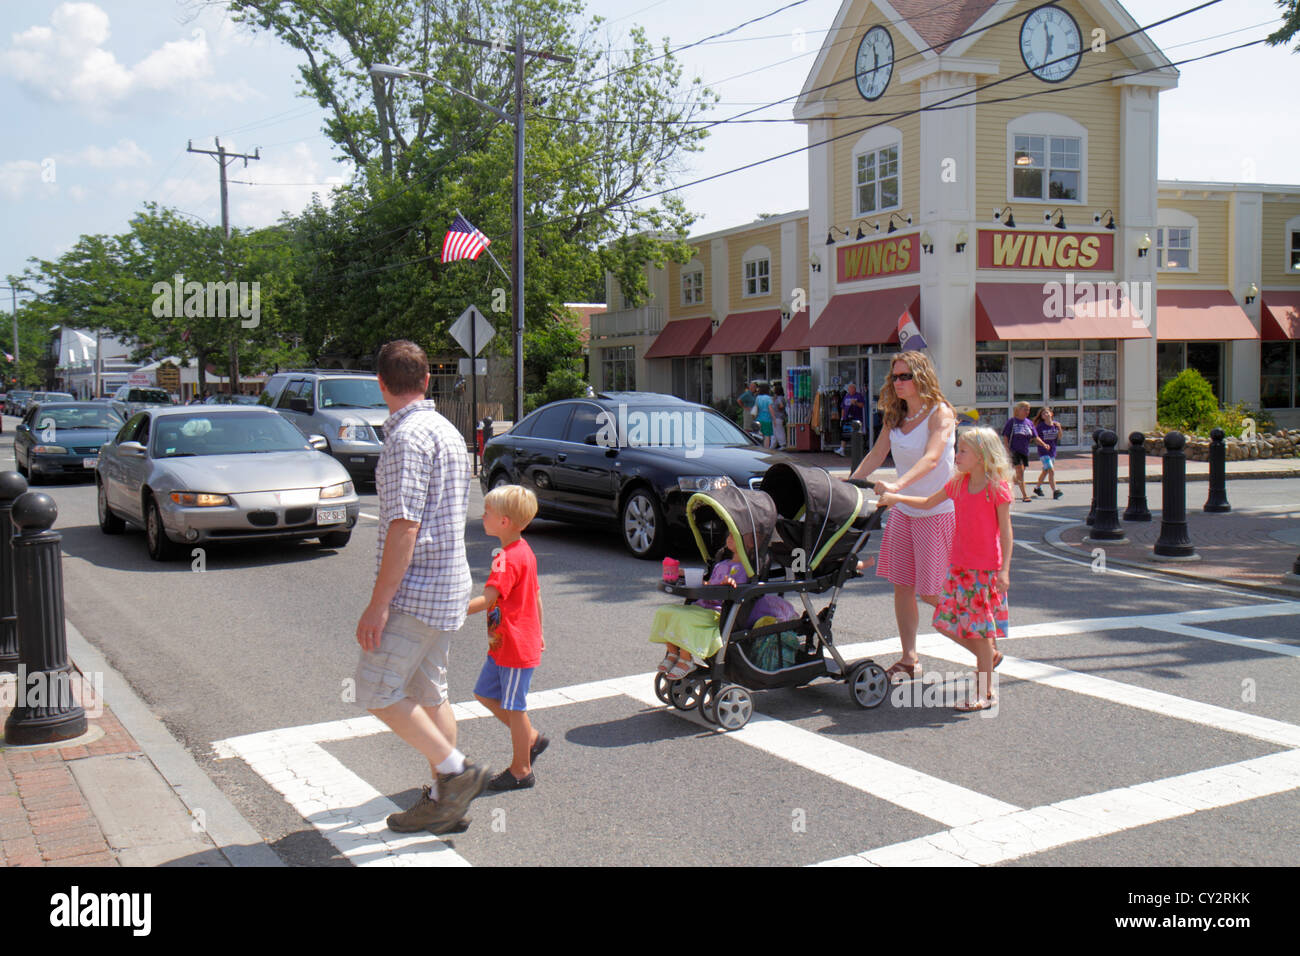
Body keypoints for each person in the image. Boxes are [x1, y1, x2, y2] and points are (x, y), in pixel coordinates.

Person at [355, 339, 490, 835]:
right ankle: (444, 803)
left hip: (417, 591)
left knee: (375, 690)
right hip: (450, 583)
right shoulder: (446, 430)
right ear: (427, 380)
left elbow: (404, 526)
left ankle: (456, 772)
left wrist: (377, 605)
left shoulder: (405, 439)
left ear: (382, 385)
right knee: (431, 695)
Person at [879, 427, 1013, 712]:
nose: (957, 456)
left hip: (985, 570)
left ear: (981, 456)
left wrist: (1004, 571)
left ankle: (985, 692)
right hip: (959, 568)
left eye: (963, 451)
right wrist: (897, 498)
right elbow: (928, 503)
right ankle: (986, 657)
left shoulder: (996, 488)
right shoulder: (958, 485)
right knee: (945, 622)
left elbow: (1006, 531)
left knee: (978, 630)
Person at [847, 351, 957, 682]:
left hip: (934, 510)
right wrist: (846, 485)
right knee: (903, 586)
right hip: (903, 510)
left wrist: (898, 484)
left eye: (905, 376)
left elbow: (933, 458)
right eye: (895, 377)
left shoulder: (941, 413)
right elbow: (878, 453)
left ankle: (980, 636)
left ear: (921, 377)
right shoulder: (896, 414)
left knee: (931, 591)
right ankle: (910, 658)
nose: (899, 383)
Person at [467, 484, 548, 791]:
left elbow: (489, 599)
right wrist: (540, 630)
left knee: (514, 707)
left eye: (487, 512)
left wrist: (453, 610)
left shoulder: (506, 559)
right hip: (504, 644)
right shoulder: (522, 550)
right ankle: (530, 739)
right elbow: (536, 595)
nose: (482, 515)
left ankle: (521, 769)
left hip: (514, 644)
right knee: (484, 694)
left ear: (504, 522)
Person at [650, 534, 748, 679]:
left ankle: (686, 659)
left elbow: (739, 588)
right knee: (664, 611)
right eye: (729, 535)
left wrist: (729, 583)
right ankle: (672, 652)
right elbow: (710, 584)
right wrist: (687, 576)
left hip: (718, 611)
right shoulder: (722, 564)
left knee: (684, 617)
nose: (729, 537)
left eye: (735, 536)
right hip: (702, 605)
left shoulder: (743, 569)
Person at [1002, 401, 1047, 502]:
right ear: (1018, 410)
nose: (1027, 411)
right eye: (1025, 409)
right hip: (1014, 450)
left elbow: (1035, 437)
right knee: (1020, 472)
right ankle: (1025, 495)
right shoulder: (1012, 421)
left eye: (1028, 409)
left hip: (1024, 451)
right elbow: (1005, 436)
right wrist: (1007, 449)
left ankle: (1004, 484)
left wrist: (1044, 444)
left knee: (1019, 474)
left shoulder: (1029, 422)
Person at [1032, 406, 1063, 499]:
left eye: (1047, 412)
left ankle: (1037, 488)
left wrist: (1060, 428)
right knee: (1051, 470)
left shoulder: (1055, 425)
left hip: (1052, 451)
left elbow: (1059, 437)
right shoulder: (1040, 426)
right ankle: (1055, 491)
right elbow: (1036, 439)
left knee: (1045, 471)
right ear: (1041, 417)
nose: (1045, 414)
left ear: (1051, 414)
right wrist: (1043, 444)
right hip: (1043, 452)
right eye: (1043, 414)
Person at [836, 382, 866, 456]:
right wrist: (842, 418)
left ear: (855, 389)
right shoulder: (846, 396)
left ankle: (857, 451)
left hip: (856, 419)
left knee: (856, 434)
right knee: (845, 433)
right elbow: (843, 407)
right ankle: (842, 449)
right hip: (847, 418)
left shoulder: (858, 396)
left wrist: (855, 403)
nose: (851, 390)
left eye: (852, 388)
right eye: (849, 389)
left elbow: (862, 405)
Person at [754, 382, 775, 448]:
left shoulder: (758, 397)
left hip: (759, 418)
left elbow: (756, 407)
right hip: (767, 419)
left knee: (760, 435)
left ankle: (760, 448)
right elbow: (770, 408)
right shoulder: (768, 398)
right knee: (767, 435)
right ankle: (766, 449)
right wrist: (774, 418)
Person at [770, 382, 787, 449]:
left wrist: (779, 408)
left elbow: (781, 405)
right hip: (777, 417)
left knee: (779, 431)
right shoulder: (780, 397)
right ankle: (773, 445)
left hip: (778, 417)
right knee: (775, 431)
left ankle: (782, 444)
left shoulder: (779, 398)